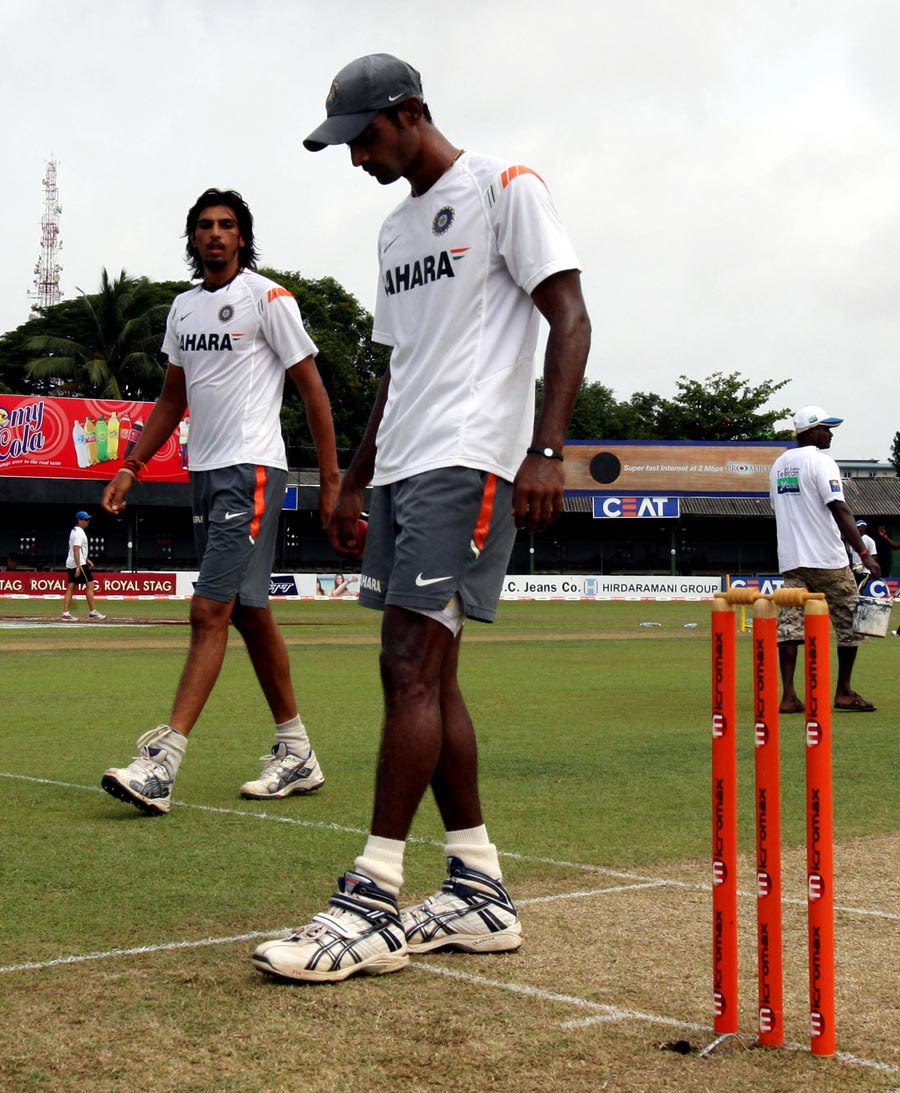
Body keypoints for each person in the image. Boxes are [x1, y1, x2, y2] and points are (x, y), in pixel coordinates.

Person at [252, 54, 591, 982]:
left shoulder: (505, 188)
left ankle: (372, 895)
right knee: (429, 673)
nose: (358, 159)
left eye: (365, 138)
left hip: (472, 455)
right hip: (403, 465)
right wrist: (353, 479)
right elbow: (398, 369)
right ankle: (478, 884)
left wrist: (547, 449)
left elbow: (570, 318)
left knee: (407, 662)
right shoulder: (398, 229)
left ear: (410, 114)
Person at [100, 188, 341, 815]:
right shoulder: (182, 309)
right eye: (205, 225)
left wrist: (333, 478)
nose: (214, 234)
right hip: (203, 474)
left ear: (242, 238)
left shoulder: (268, 298)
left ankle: (163, 763)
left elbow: (311, 388)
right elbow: (172, 401)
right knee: (247, 611)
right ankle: (297, 753)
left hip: (252, 469)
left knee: (208, 610)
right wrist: (131, 466)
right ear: (193, 238)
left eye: (226, 226)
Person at [769, 405, 880, 714]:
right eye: (825, 428)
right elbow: (840, 509)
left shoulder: (779, 465)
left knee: (790, 625)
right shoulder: (821, 461)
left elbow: (778, 508)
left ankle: (789, 695)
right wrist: (864, 553)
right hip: (826, 558)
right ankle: (843, 692)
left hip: (791, 558)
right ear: (810, 431)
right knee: (850, 622)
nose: (829, 434)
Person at [61, 511, 106, 621]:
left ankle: (66, 613)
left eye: (88, 519)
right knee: (90, 585)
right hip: (79, 563)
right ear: (79, 520)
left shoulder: (74, 531)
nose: (88, 521)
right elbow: (76, 549)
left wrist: (86, 558)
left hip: (72, 562)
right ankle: (93, 612)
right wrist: (78, 566)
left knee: (71, 586)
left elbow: (76, 549)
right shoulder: (79, 533)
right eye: (85, 519)